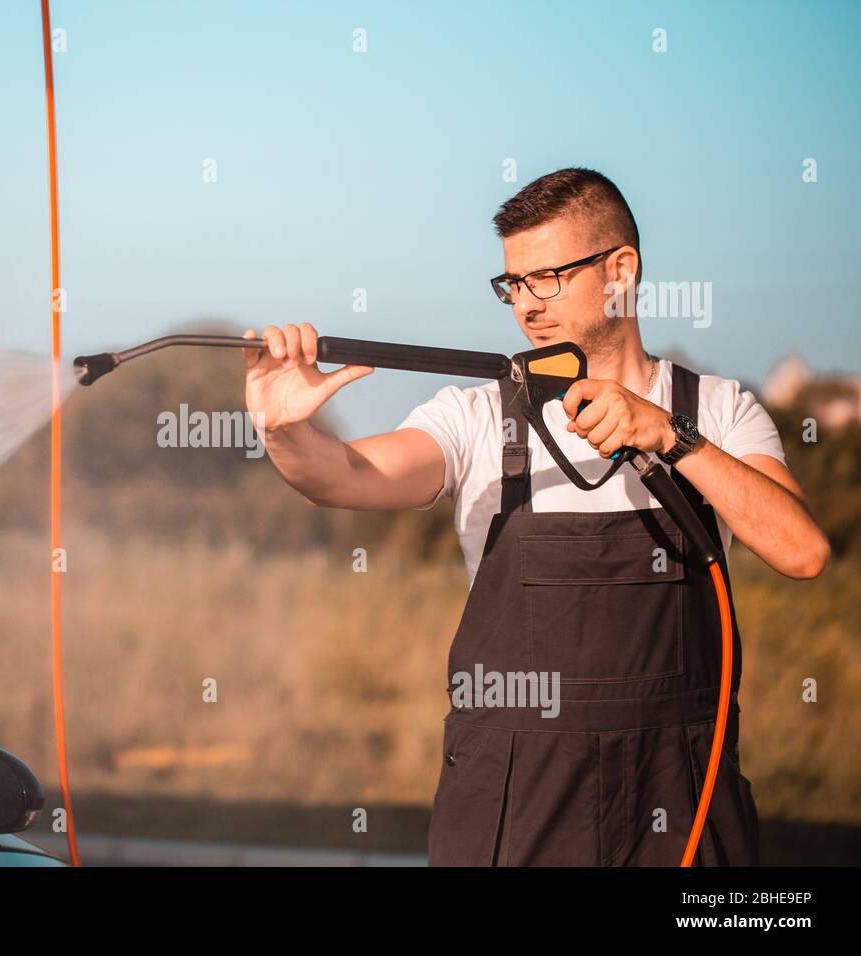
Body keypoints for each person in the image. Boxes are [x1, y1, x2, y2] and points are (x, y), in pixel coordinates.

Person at [243, 167, 830, 866]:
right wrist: (285, 434)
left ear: (620, 269)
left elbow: (802, 552)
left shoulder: (719, 412)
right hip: (515, 808)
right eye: (513, 283)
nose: (526, 306)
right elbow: (342, 477)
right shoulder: (478, 416)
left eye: (546, 277)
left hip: (683, 806)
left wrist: (669, 436)